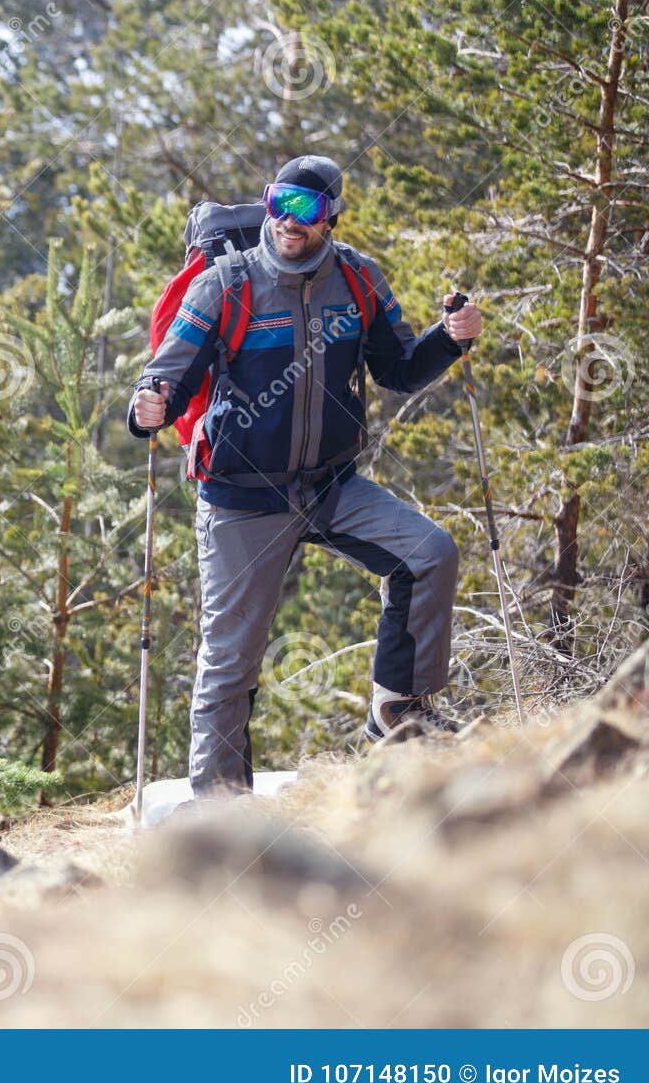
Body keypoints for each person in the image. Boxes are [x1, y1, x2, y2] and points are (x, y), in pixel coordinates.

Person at [127, 155, 483, 797]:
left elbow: (399, 369)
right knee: (231, 661)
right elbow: (167, 378)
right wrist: (145, 407)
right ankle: (221, 808)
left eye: (306, 209)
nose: (289, 221)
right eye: (278, 203)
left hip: (329, 487)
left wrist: (450, 337)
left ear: (332, 216)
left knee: (430, 554)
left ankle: (398, 714)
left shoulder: (358, 279)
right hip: (242, 499)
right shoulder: (226, 285)